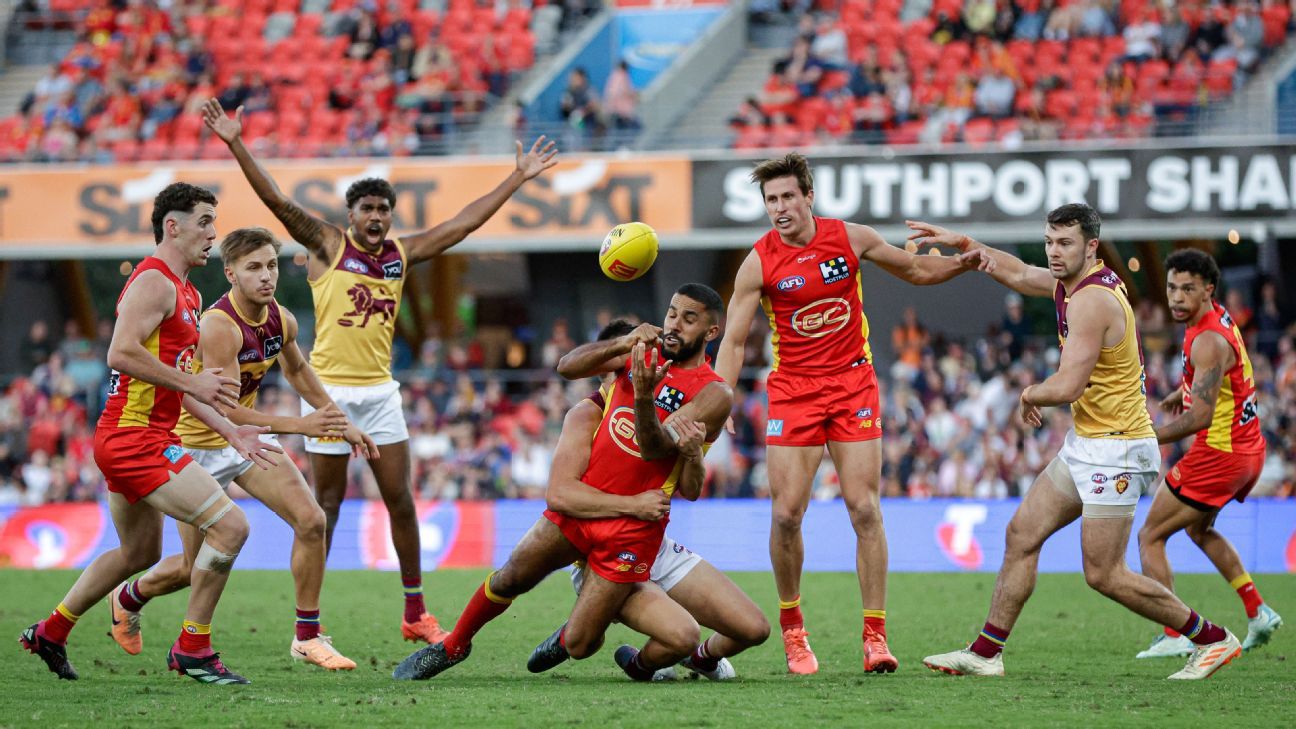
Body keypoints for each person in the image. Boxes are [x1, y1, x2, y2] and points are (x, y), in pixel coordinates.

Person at [202, 98, 558, 644]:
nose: (375, 217)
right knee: (325, 506)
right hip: (328, 393)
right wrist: (234, 142)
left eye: (383, 209)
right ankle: (309, 624)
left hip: (380, 394)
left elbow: (460, 226)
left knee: (402, 501)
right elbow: (276, 200)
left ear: (390, 215)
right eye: (367, 208)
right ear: (351, 215)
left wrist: (516, 177)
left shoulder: (399, 254)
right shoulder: (326, 244)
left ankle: (415, 612)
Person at [910, 204, 1242, 680]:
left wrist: (1028, 392)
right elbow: (1022, 273)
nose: (1053, 252)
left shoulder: (1091, 301)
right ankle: (986, 653)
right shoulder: (1076, 283)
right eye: (1049, 241)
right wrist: (968, 245)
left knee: (1103, 573)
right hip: (1090, 442)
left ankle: (1211, 638)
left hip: (1118, 449)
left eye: (1064, 243)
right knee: (1022, 534)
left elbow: (1067, 386)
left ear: (1091, 247)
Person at [713, 153, 974, 675]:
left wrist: (965, 262)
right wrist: (719, 397)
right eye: (771, 200)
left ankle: (875, 637)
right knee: (787, 513)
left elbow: (917, 268)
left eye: (788, 196)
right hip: (794, 391)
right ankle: (794, 632)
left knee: (864, 509)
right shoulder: (757, 263)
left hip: (854, 383)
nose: (780, 208)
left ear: (808, 196)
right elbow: (735, 339)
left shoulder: (850, 238)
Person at [391, 286, 733, 682]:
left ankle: (574, 633)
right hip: (584, 508)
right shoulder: (639, 354)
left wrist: (641, 394)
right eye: (673, 313)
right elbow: (567, 366)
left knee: (582, 645)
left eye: (689, 319)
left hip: (632, 531)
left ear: (710, 332)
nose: (674, 324)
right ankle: (452, 647)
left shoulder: (713, 392)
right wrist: (623, 341)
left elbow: (655, 449)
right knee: (510, 576)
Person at [19, 183, 280, 684]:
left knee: (139, 555)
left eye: (214, 220)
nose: (213, 233)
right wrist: (195, 381)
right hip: (134, 438)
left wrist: (231, 431)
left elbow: (172, 385)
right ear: (172, 226)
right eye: (204, 221)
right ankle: (193, 650)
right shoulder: (153, 282)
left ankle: (49, 632)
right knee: (231, 528)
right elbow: (119, 353)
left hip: (136, 436)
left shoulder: (186, 291)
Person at [107, 227, 380, 671]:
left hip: (246, 443)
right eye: (254, 267)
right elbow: (224, 410)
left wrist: (340, 422)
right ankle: (129, 596)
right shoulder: (218, 327)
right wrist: (301, 424)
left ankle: (307, 637)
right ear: (230, 273)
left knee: (312, 520)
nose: (267, 276)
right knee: (190, 569)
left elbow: (298, 372)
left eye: (271, 265)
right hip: (196, 447)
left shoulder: (281, 318)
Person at [539, 319, 769, 681]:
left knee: (754, 628)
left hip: (653, 544)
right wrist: (630, 507)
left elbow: (690, 490)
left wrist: (693, 453)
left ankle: (694, 659)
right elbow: (561, 495)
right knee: (588, 642)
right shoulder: (587, 416)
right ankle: (586, 629)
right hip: (607, 551)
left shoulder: (679, 400)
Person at [1134, 249, 1282, 658]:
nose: (1177, 297)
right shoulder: (1213, 320)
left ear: (1208, 290)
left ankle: (1175, 632)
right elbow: (1225, 379)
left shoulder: (1208, 340)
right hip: (1247, 447)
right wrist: (1182, 390)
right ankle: (1257, 610)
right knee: (1199, 529)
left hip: (1220, 452)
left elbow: (1200, 417)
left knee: (1150, 536)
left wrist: (1148, 438)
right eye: (1171, 288)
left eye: (1188, 289)